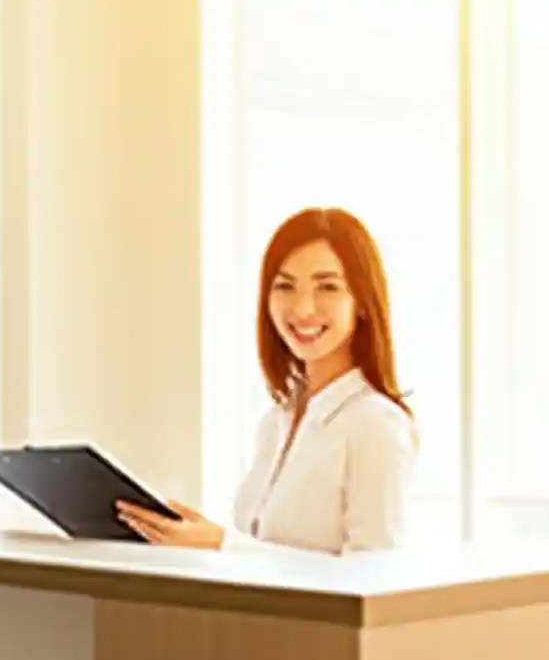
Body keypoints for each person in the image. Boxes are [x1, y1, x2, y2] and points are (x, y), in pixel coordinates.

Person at [117, 208, 419, 555]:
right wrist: (196, 541)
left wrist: (222, 544)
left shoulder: (375, 424)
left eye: (328, 287)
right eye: (285, 286)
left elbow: (370, 576)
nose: (303, 308)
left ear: (361, 302)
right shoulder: (277, 423)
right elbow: (266, 555)